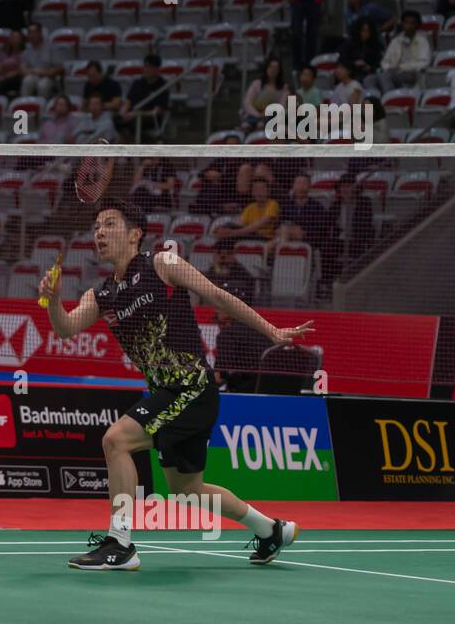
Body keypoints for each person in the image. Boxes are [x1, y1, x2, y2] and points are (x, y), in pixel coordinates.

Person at [38, 198, 311, 570]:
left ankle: (120, 545)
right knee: (187, 489)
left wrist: (272, 331)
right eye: (96, 226)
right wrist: (53, 302)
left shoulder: (162, 264)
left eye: (110, 224)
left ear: (135, 234)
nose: (99, 232)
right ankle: (271, 530)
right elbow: (67, 328)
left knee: (115, 440)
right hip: (168, 394)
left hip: (192, 389)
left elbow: (217, 295)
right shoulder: (101, 295)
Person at [319, 172, 375, 294]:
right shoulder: (336, 205)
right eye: (343, 186)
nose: (345, 189)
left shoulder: (365, 203)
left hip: (357, 240)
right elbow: (326, 224)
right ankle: (327, 284)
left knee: (361, 252)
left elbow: (366, 224)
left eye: (348, 186)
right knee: (327, 249)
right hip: (339, 241)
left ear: (355, 188)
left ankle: (357, 285)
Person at [367, 11, 430, 95]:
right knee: (369, 79)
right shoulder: (396, 41)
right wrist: (389, 68)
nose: (409, 26)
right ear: (403, 24)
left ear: (417, 25)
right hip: (393, 71)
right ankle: (376, 102)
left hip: (411, 73)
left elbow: (424, 63)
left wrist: (402, 67)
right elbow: (385, 61)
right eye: (406, 23)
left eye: (412, 23)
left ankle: (390, 101)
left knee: (385, 76)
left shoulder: (422, 41)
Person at [119, 54, 169, 136]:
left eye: (149, 67)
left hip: (149, 118)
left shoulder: (163, 87)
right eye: (145, 66)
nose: (146, 70)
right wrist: (123, 112)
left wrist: (137, 114)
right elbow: (128, 101)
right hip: (131, 115)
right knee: (115, 120)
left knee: (135, 122)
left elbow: (156, 111)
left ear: (157, 69)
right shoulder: (137, 83)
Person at [277, 172, 328, 249]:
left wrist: (302, 231)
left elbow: (319, 230)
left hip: (308, 240)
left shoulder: (317, 206)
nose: (301, 186)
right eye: (298, 183)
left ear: (309, 187)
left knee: (281, 236)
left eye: (304, 183)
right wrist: (291, 230)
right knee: (269, 246)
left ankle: (283, 258)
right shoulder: (286, 204)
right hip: (286, 235)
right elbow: (279, 225)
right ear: (293, 186)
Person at [242, 57, 287, 131]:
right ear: (266, 68)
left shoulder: (284, 87)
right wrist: (258, 115)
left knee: (261, 125)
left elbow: (282, 106)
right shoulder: (256, 84)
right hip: (254, 115)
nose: (273, 70)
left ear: (279, 71)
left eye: (276, 68)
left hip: (272, 117)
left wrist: (267, 113)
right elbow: (247, 103)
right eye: (271, 67)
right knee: (246, 126)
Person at [20, 21, 61, 97]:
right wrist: (34, 71)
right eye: (30, 32)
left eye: (34, 32)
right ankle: (25, 105)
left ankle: (42, 106)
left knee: (43, 85)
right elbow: (23, 69)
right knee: (27, 81)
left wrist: (45, 72)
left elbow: (58, 68)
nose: (32, 35)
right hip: (33, 75)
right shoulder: (26, 50)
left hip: (48, 77)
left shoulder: (51, 47)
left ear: (40, 33)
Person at [341, 18, 384, 86]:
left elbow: (379, 63)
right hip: (350, 71)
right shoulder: (349, 44)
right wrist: (354, 63)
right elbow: (342, 60)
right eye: (363, 31)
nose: (365, 33)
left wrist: (369, 67)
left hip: (368, 74)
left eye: (368, 31)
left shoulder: (376, 46)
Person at [0, 29, 26, 97]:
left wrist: (6, 77)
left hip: (14, 78)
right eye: (13, 37)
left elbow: (21, 70)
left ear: (22, 40)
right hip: (2, 77)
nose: (14, 40)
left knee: (5, 83)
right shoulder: (4, 54)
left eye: (17, 38)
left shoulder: (24, 53)